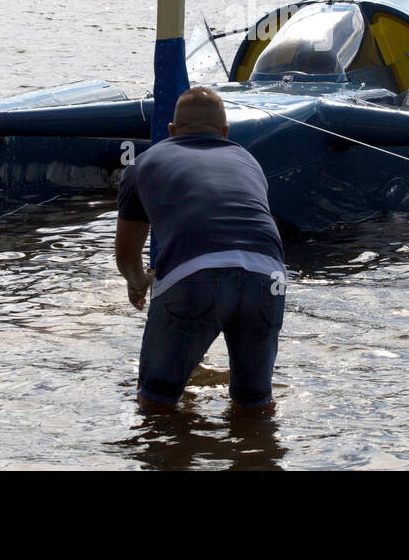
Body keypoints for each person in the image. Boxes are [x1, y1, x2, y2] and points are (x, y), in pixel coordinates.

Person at [115, 87, 285, 414]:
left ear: (171, 132)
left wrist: (138, 284)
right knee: (254, 406)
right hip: (268, 276)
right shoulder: (248, 160)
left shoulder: (142, 164)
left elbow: (126, 256)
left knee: (155, 404)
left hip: (193, 275)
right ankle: (256, 455)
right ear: (225, 133)